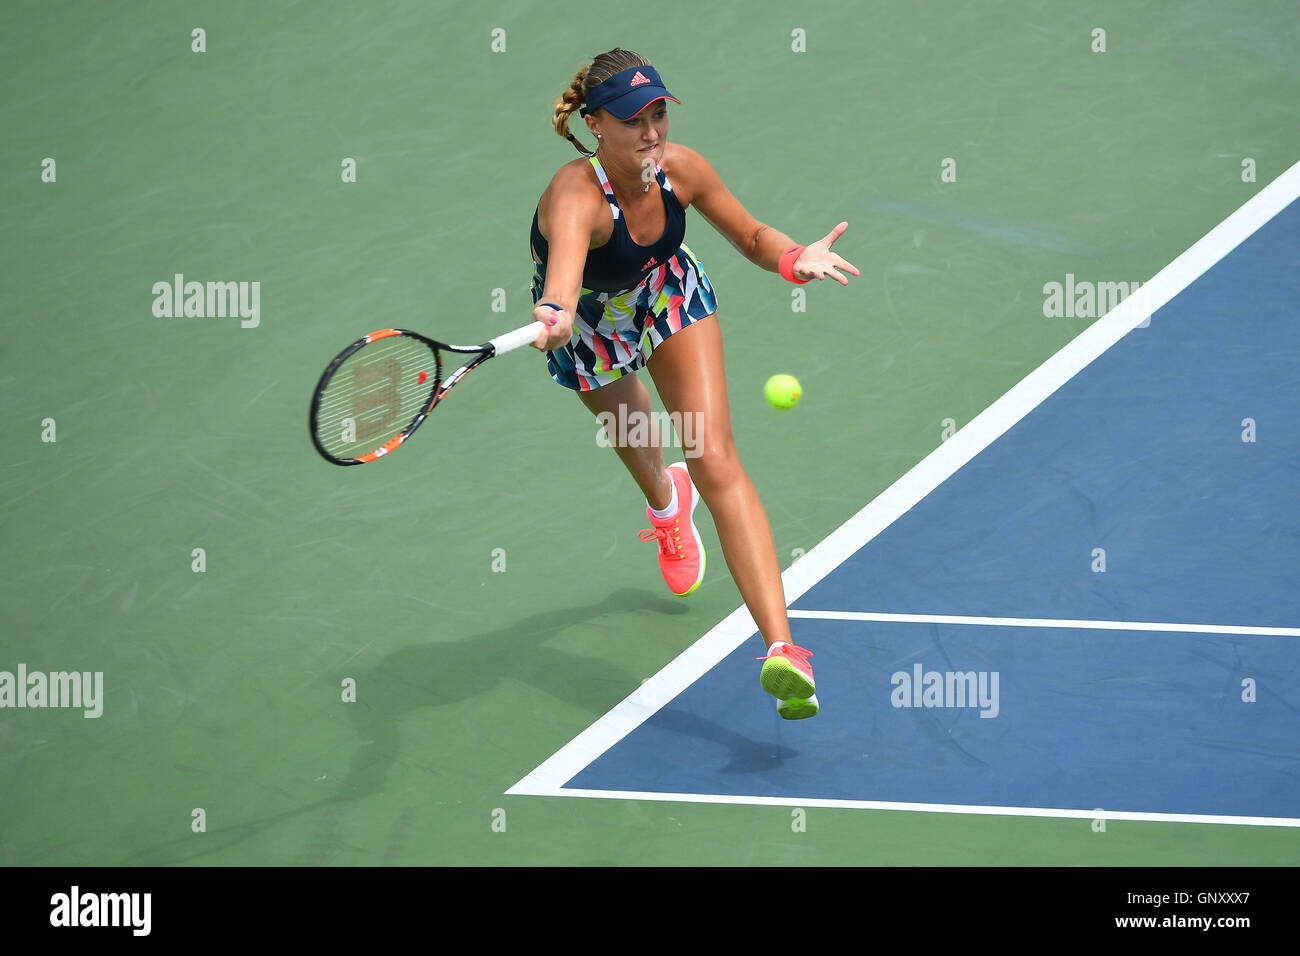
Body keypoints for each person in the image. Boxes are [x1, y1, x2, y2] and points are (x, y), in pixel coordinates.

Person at [528, 49, 858, 719]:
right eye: (631, 121)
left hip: (667, 295)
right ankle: (664, 504)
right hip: (589, 321)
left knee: (715, 458)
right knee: (639, 443)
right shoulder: (576, 195)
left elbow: (751, 233)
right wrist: (557, 315)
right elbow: (564, 278)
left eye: (657, 115)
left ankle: (782, 650)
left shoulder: (681, 171)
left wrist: (794, 258)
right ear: (595, 125)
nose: (651, 133)